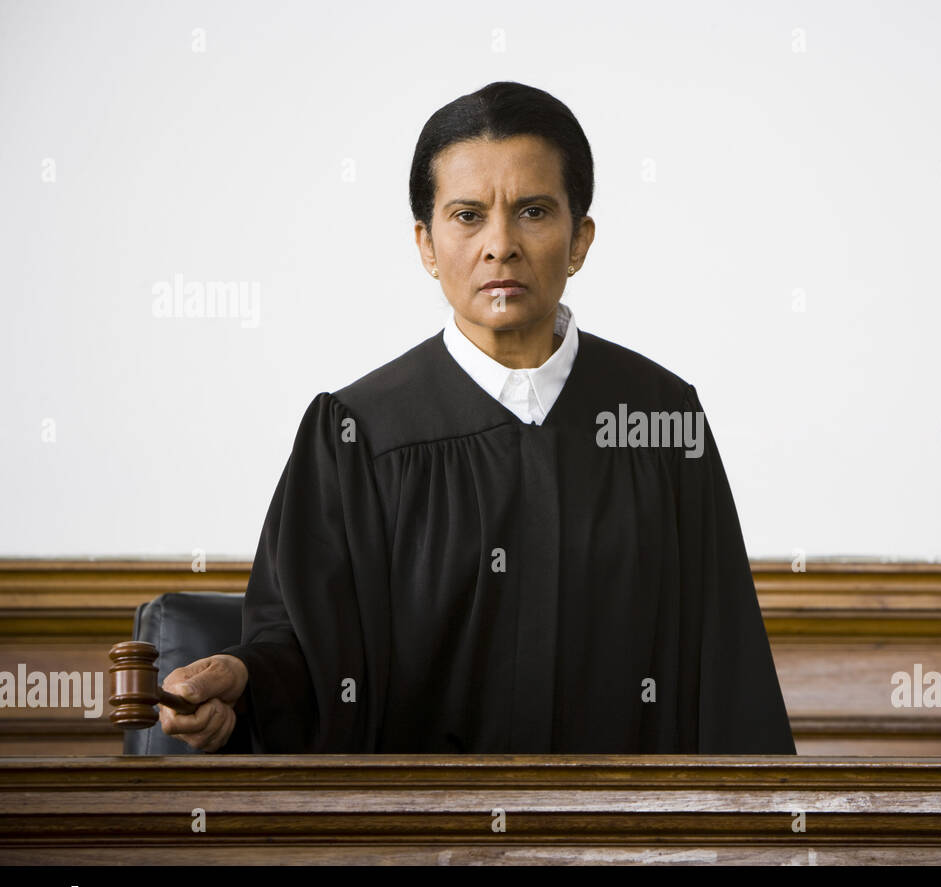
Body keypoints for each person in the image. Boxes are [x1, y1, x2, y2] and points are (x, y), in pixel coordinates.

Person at [158, 81, 795, 755]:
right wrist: (248, 681)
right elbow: (305, 653)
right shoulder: (355, 434)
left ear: (579, 240)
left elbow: (725, 668)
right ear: (426, 244)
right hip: (417, 845)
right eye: (467, 216)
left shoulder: (660, 419)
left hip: (623, 841)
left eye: (534, 212)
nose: (501, 245)